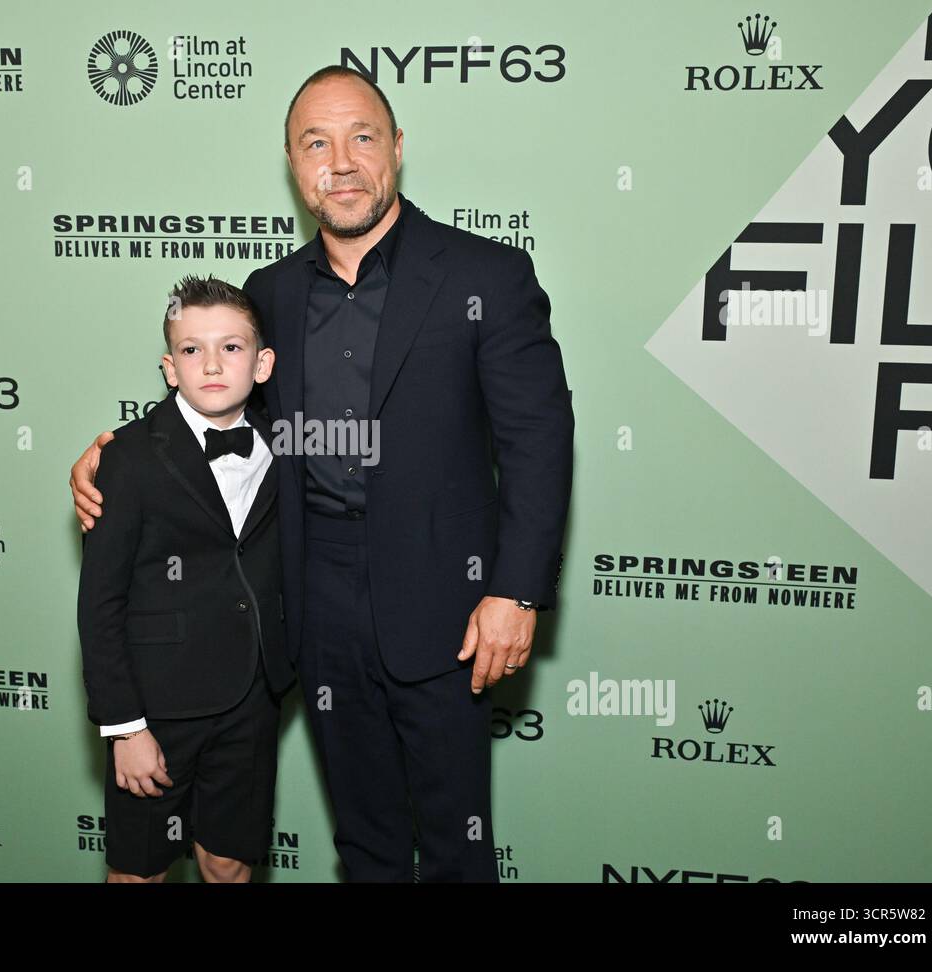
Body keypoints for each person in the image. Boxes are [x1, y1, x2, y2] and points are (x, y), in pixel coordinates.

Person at [72, 66, 573, 882]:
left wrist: (515, 592)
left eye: (361, 137)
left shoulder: (487, 276)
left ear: (398, 150)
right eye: (316, 144)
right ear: (293, 165)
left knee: (457, 843)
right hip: (310, 603)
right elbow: (217, 412)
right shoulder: (268, 294)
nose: (340, 162)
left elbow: (539, 442)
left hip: (451, 604)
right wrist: (110, 455)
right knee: (364, 841)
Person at [77, 273, 294, 883]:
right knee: (139, 871)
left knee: (228, 864)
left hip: (253, 695)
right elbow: (100, 603)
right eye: (193, 350)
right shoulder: (127, 456)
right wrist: (124, 728)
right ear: (170, 368)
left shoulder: (291, 444)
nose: (213, 364)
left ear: (263, 362)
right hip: (157, 704)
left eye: (232, 347)